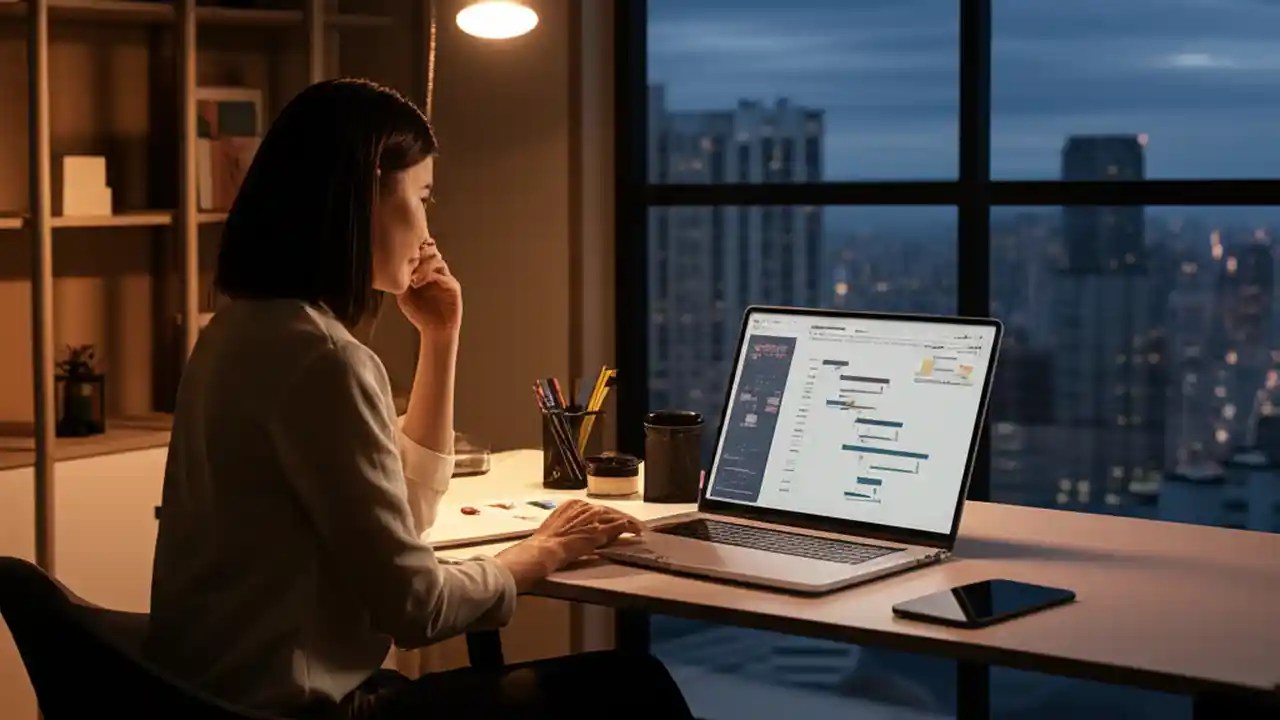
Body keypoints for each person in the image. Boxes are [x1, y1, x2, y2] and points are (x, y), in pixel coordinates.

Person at [144, 78, 693, 720]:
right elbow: (415, 608)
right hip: (299, 710)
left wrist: (440, 337)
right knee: (632, 688)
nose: (429, 227)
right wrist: (538, 554)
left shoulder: (237, 331)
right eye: (422, 196)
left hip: (207, 698)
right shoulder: (325, 360)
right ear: (362, 197)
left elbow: (402, 517)